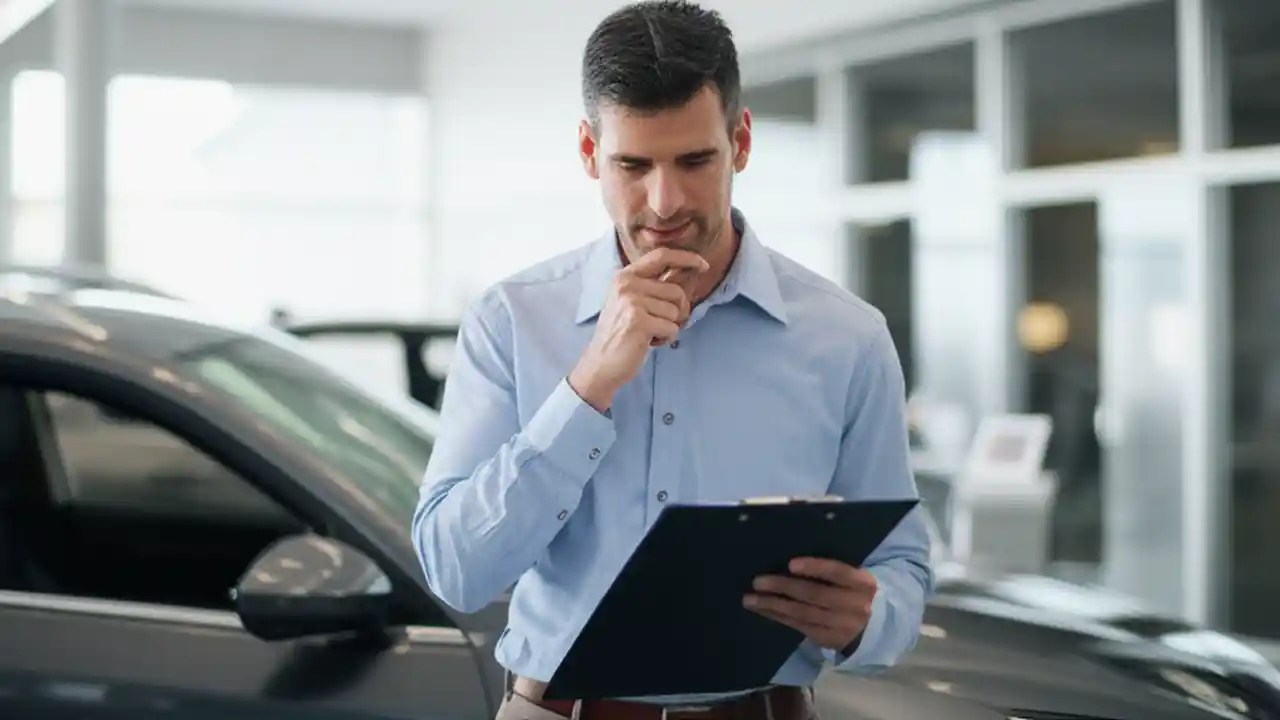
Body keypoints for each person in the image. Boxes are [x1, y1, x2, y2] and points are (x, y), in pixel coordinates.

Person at [412, 2, 934, 718]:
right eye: (633, 164)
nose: (665, 201)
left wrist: (869, 620)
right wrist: (589, 383)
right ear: (591, 152)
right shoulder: (512, 321)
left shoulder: (848, 339)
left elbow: (902, 567)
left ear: (740, 141)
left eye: (695, 160)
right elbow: (455, 570)